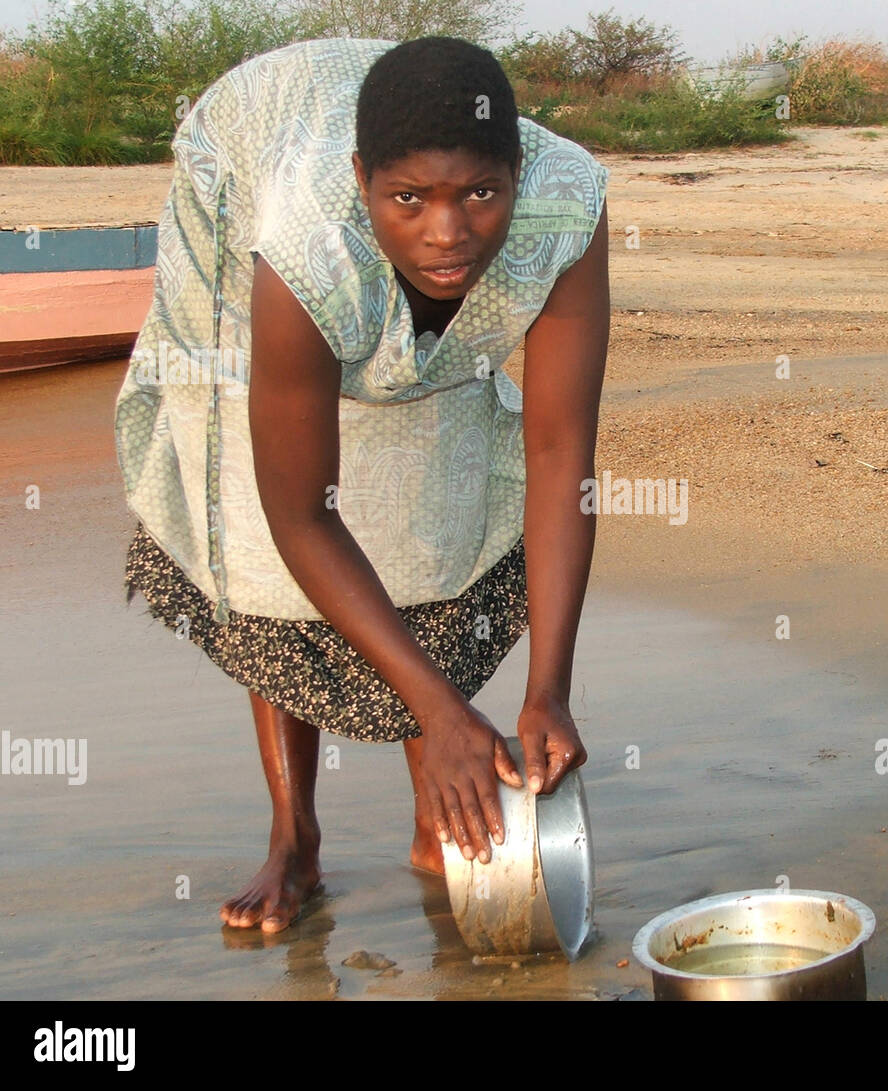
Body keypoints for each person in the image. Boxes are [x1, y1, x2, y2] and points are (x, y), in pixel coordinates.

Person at [115, 36, 610, 931]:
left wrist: (549, 691)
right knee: (266, 543)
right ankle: (294, 835)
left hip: (372, 186)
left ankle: (438, 809)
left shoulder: (564, 205)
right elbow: (298, 513)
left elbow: (559, 452)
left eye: (481, 194)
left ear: (519, 173)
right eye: (409, 198)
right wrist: (439, 706)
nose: (449, 233)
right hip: (240, 179)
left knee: (429, 494)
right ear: (361, 180)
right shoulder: (306, 245)